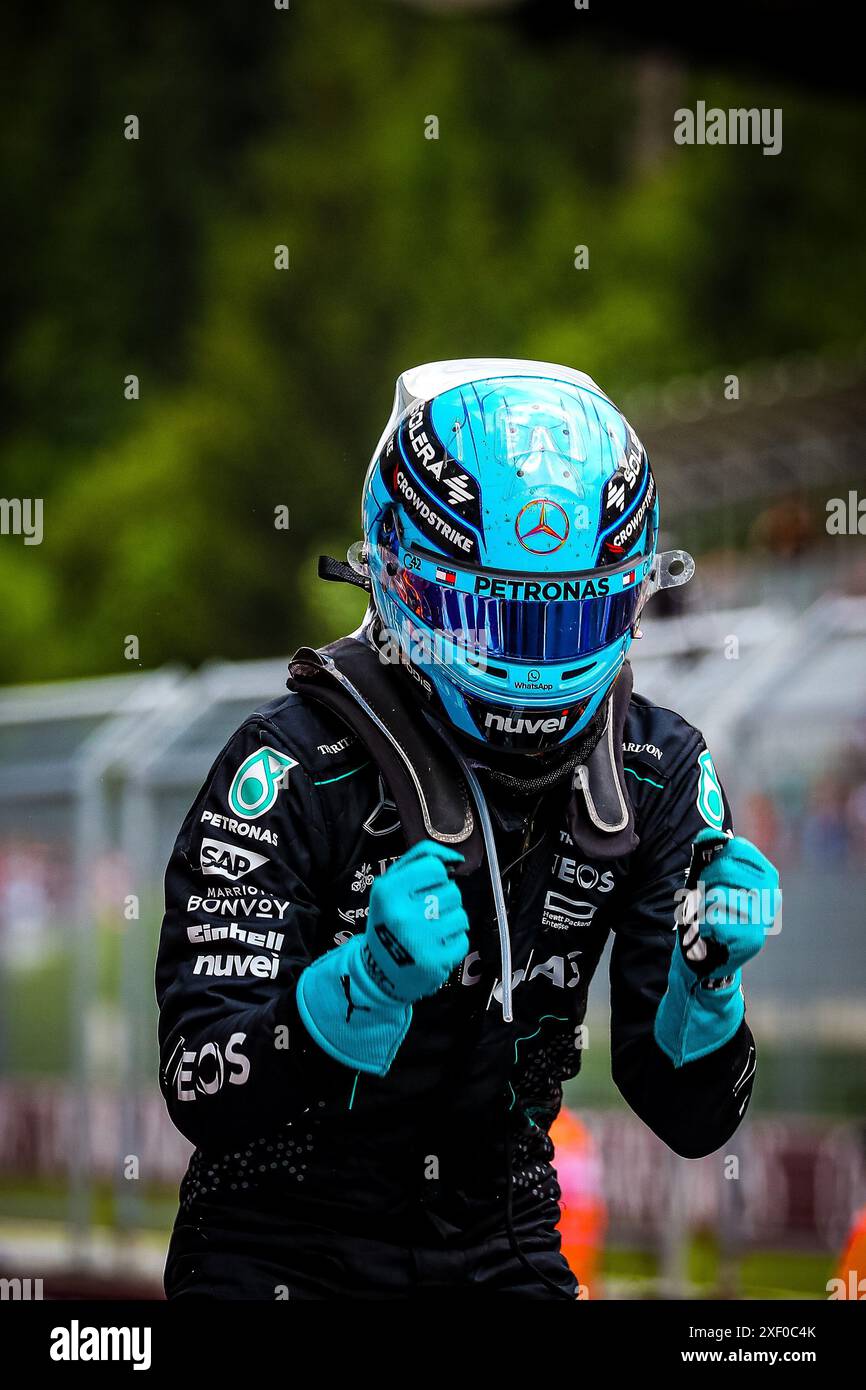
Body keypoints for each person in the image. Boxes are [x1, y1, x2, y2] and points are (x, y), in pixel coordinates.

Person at [156, 358, 780, 1299]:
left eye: (572, 618)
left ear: (635, 598)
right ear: (397, 572)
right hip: (277, 1246)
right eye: (490, 618)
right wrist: (359, 988)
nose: (533, 664)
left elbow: (692, 1121)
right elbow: (200, 1084)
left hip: (501, 1237)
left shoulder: (661, 774)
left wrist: (710, 983)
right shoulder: (287, 768)